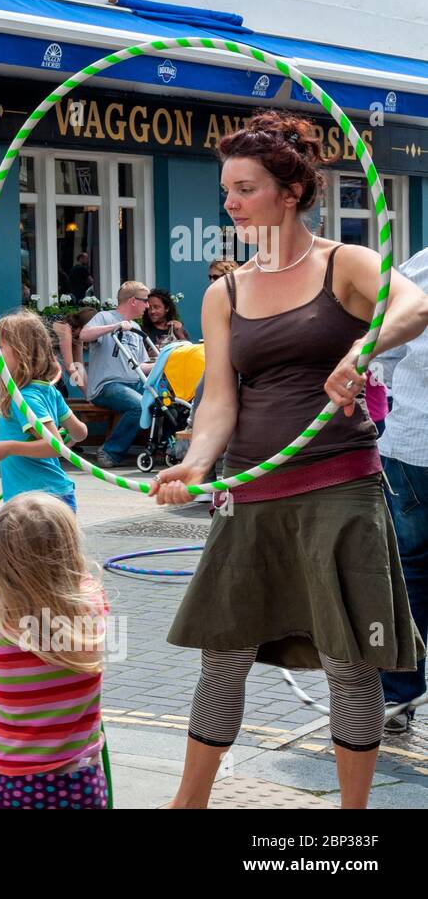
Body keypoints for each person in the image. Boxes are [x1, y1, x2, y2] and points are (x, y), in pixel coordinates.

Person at [151, 110, 428, 809]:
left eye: (245, 188)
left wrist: (362, 349)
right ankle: (188, 804)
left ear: (291, 192)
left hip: (341, 488)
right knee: (224, 655)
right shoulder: (226, 291)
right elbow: (219, 401)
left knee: (350, 662)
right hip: (253, 494)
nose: (231, 202)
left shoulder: (345, 264)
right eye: (227, 189)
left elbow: (416, 304)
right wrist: (196, 463)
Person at [0, 493, 108, 809]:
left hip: (16, 787)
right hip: (82, 783)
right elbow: (85, 584)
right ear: (71, 553)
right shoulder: (92, 612)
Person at [376, 246, 428, 733]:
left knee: (409, 572)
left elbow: (385, 345)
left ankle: (399, 697)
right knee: (408, 571)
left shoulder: (419, 267)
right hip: (411, 444)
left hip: (413, 440)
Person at [0, 311, 88, 509]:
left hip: (36, 502)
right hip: (51, 494)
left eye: (0, 347)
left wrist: (8, 447)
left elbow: (54, 446)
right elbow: (80, 432)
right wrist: (67, 439)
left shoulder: (25, 398)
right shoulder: (48, 390)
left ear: (22, 352)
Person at [79, 282, 155, 468]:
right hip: (107, 386)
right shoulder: (105, 317)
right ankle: (110, 451)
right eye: (145, 301)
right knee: (139, 405)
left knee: (164, 398)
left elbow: (141, 366)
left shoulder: (136, 329)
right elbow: (84, 335)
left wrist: (163, 364)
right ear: (132, 301)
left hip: (133, 383)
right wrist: (114, 327)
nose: (148, 306)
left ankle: (167, 449)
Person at [47, 307, 98, 396]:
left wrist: (90, 392)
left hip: (48, 364)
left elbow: (79, 366)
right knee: (60, 393)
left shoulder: (79, 335)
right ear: (85, 327)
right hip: (32, 359)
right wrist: (88, 394)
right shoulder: (65, 329)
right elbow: (69, 367)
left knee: (62, 393)